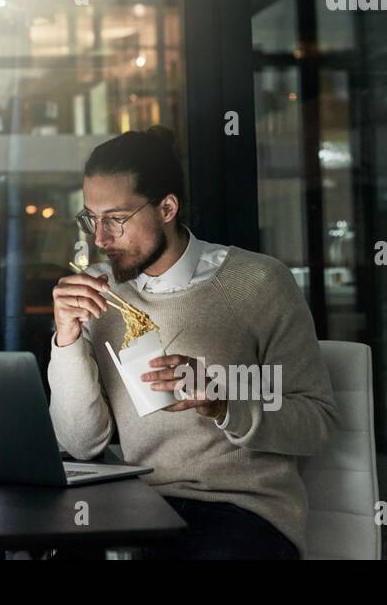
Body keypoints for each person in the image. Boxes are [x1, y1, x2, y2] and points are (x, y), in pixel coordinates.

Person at [48, 127, 338, 559]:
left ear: (167, 207)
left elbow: (317, 423)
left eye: (116, 219)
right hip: (137, 504)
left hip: (241, 509)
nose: (101, 239)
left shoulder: (259, 283)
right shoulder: (100, 298)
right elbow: (80, 443)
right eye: (91, 218)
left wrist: (224, 403)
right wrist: (67, 339)